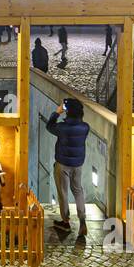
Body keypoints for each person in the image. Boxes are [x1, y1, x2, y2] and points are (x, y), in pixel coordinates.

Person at [46, 98, 90, 238]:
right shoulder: (85, 127)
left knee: (63, 192)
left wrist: (57, 112)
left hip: (62, 164)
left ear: (68, 111)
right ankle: (82, 219)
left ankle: (65, 221)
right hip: (78, 164)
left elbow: (49, 126)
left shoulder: (62, 128)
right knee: (78, 190)